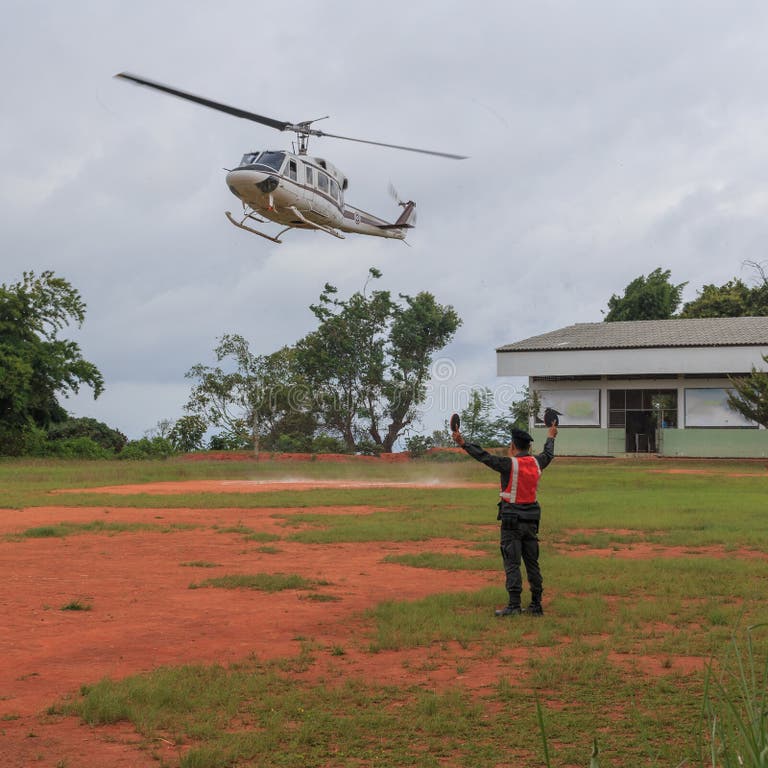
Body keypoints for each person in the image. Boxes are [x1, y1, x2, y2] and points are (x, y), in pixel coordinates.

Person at [452, 422, 557, 616]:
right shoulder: (537, 462)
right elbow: (548, 454)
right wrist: (551, 436)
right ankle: (536, 604)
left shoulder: (508, 464)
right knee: (532, 563)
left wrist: (463, 443)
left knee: (512, 562)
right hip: (532, 521)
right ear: (529, 447)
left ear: (513, 447)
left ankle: (514, 605)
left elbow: (484, 456)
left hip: (512, 521)